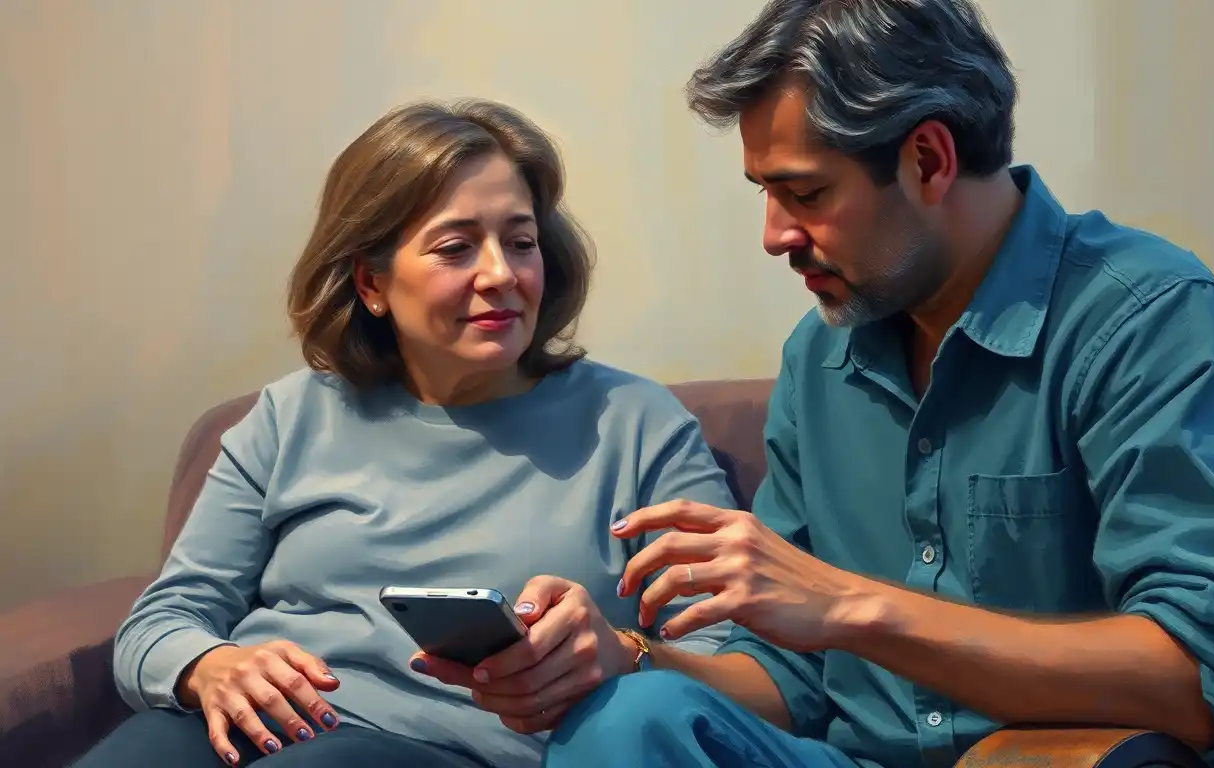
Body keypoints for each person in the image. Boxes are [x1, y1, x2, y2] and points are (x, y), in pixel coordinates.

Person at [540, 1, 1214, 767]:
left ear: (928, 160)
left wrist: (850, 607)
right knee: (625, 720)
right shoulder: (821, 356)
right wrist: (629, 657)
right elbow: (790, 677)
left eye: (806, 194)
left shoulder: (1148, 320)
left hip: (1088, 758)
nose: (774, 235)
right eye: (765, 193)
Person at [72, 99, 737, 768]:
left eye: (521, 242)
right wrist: (209, 666)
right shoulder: (289, 416)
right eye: (456, 248)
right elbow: (162, 620)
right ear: (372, 282)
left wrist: (624, 653)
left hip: (445, 752)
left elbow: (731, 662)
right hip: (244, 730)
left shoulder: (635, 423)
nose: (501, 274)